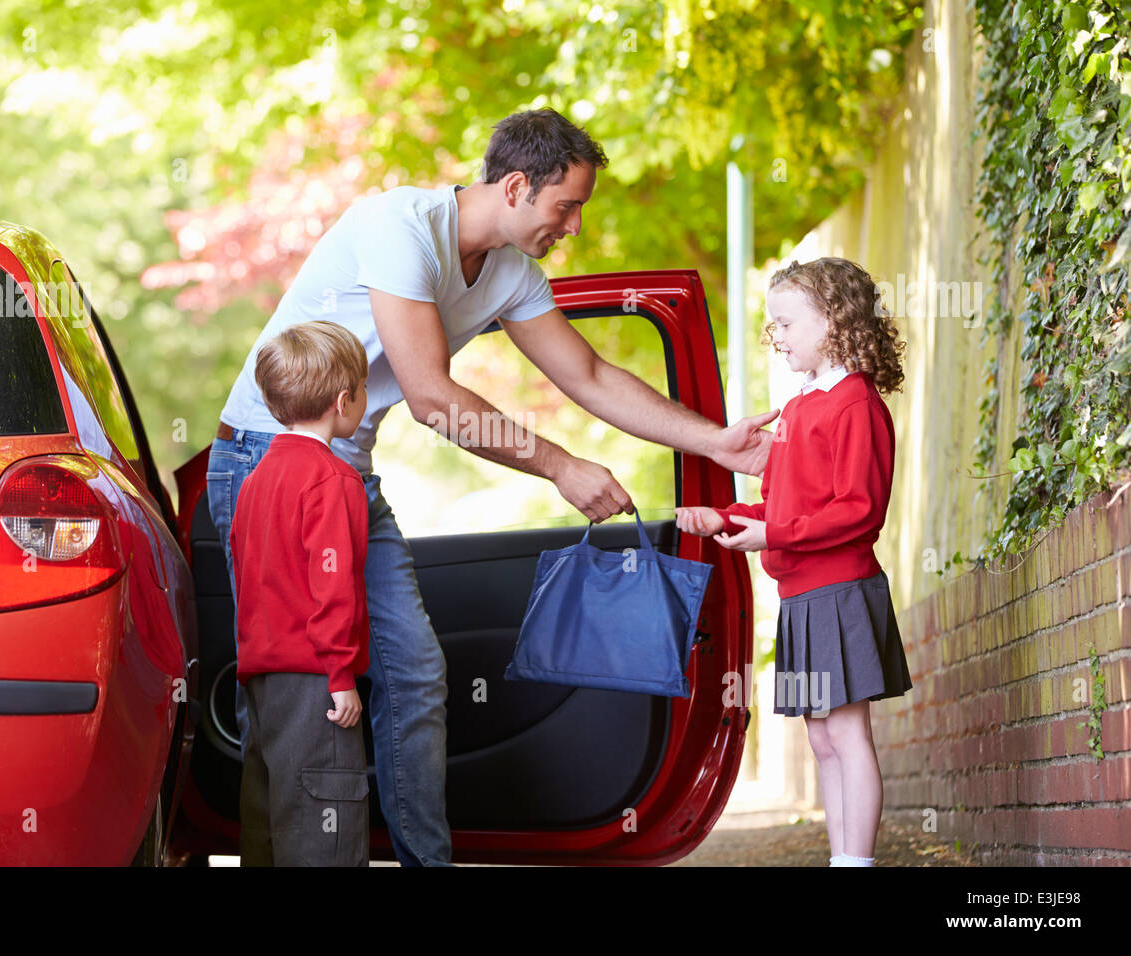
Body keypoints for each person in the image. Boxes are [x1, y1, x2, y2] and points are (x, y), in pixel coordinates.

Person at [207, 107, 780, 866]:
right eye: (566, 205)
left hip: (347, 471)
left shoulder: (512, 274)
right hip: (267, 462)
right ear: (516, 186)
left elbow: (590, 375)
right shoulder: (397, 227)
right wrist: (560, 467)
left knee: (414, 672)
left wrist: (715, 440)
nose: (573, 225)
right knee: (292, 690)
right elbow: (432, 398)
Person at [675, 256, 913, 867]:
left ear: (833, 321)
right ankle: (843, 857)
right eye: (772, 325)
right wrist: (725, 518)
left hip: (841, 590)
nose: (775, 336)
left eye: (785, 323)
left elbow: (859, 511)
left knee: (847, 733)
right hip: (802, 595)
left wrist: (772, 530)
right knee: (822, 735)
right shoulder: (800, 406)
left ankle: (855, 862)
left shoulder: (854, 402)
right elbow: (780, 503)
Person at [230, 320, 372, 866]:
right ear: (343, 401)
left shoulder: (256, 481)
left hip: (262, 679)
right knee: (323, 828)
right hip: (316, 681)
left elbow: (248, 576)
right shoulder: (333, 480)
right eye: (363, 389)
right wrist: (341, 676)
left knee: (269, 819)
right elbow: (332, 586)